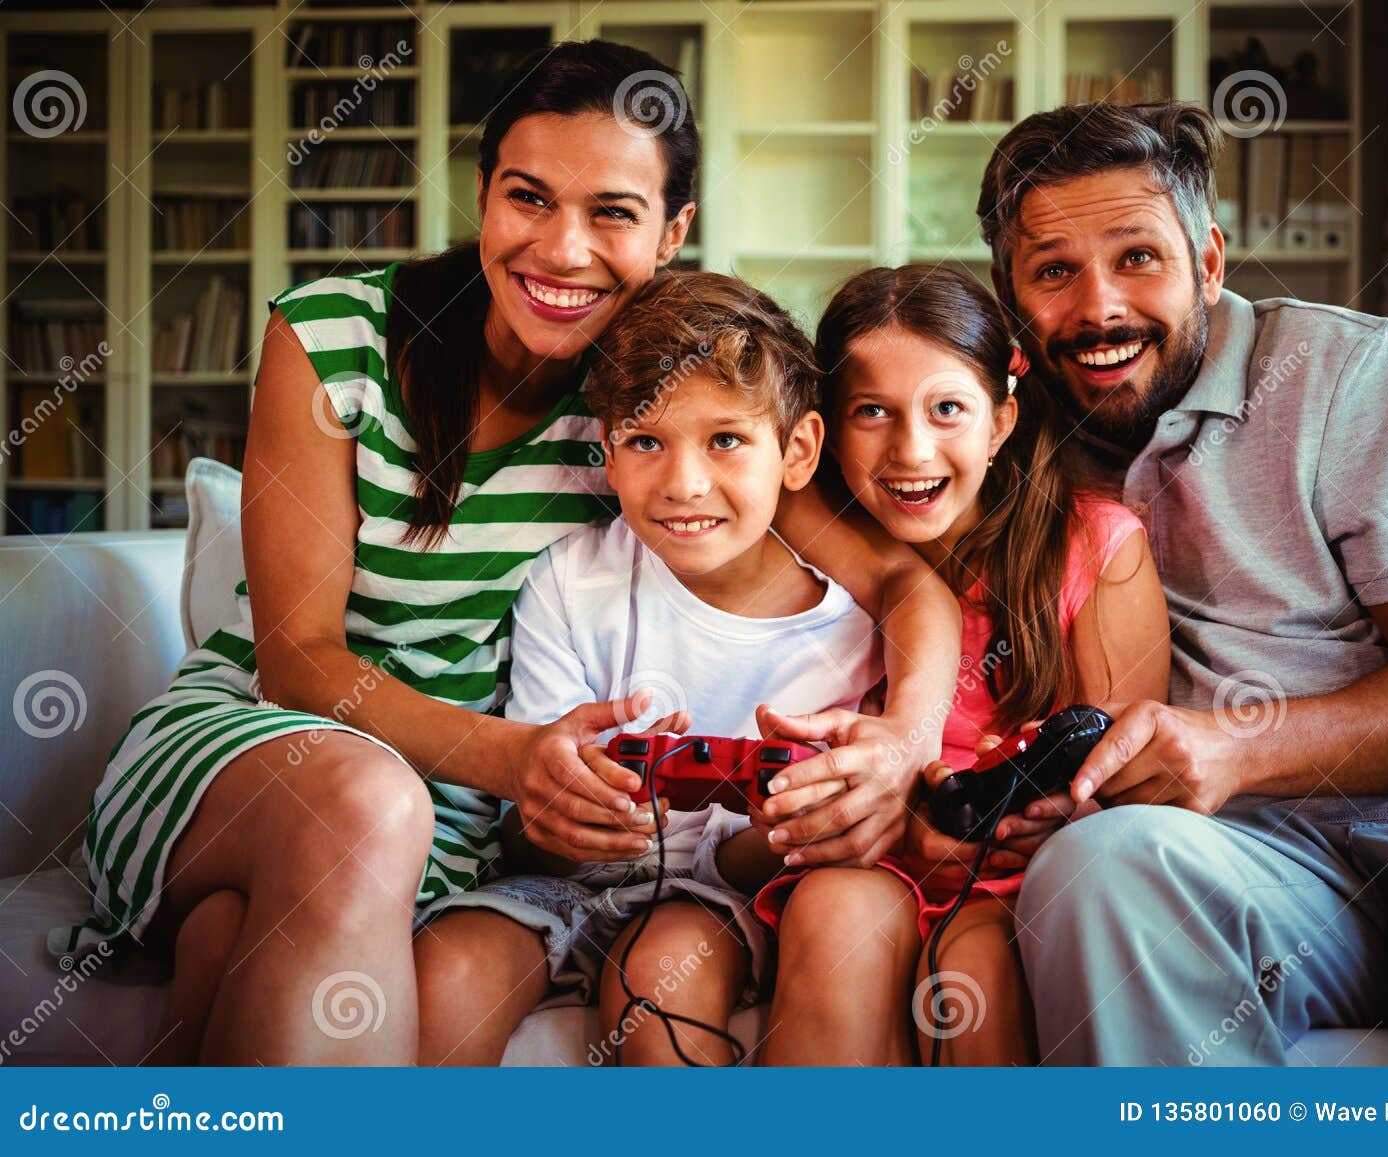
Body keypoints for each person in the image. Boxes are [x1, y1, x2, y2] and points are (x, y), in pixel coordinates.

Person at [50, 41, 957, 1066]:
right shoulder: (333, 338)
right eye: (529, 198)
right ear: (484, 196)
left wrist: (903, 741)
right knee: (363, 807)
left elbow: (898, 580)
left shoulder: (658, 396)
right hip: (279, 749)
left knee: (229, 949)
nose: (563, 249)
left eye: (613, 211)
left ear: (674, 231)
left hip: (476, 831)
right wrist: (518, 761)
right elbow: (297, 657)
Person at [977, 100, 1388, 1064]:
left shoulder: (1336, 367)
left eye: (1138, 257)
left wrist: (1234, 746)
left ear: (1210, 263)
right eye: (1054, 271)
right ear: (1011, 296)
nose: (1098, 308)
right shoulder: (991, 436)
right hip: (1261, 866)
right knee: (1097, 869)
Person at [412, 270, 885, 1066]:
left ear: (797, 450)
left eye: (726, 440)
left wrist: (778, 833)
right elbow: (530, 836)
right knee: (446, 969)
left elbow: (738, 866)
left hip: (711, 897)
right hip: (555, 885)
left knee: (662, 971)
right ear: (608, 451)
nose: (683, 482)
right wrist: (569, 802)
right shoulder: (568, 579)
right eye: (645, 440)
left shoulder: (851, 634)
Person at [753, 265, 1169, 1065]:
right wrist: (904, 827)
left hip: (1014, 878)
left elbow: (1122, 779)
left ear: (1001, 419)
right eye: (871, 412)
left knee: (974, 967)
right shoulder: (819, 549)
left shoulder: (1094, 547)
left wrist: (1039, 823)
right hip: (871, 856)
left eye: (948, 409)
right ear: (826, 431)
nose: (911, 449)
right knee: (833, 915)